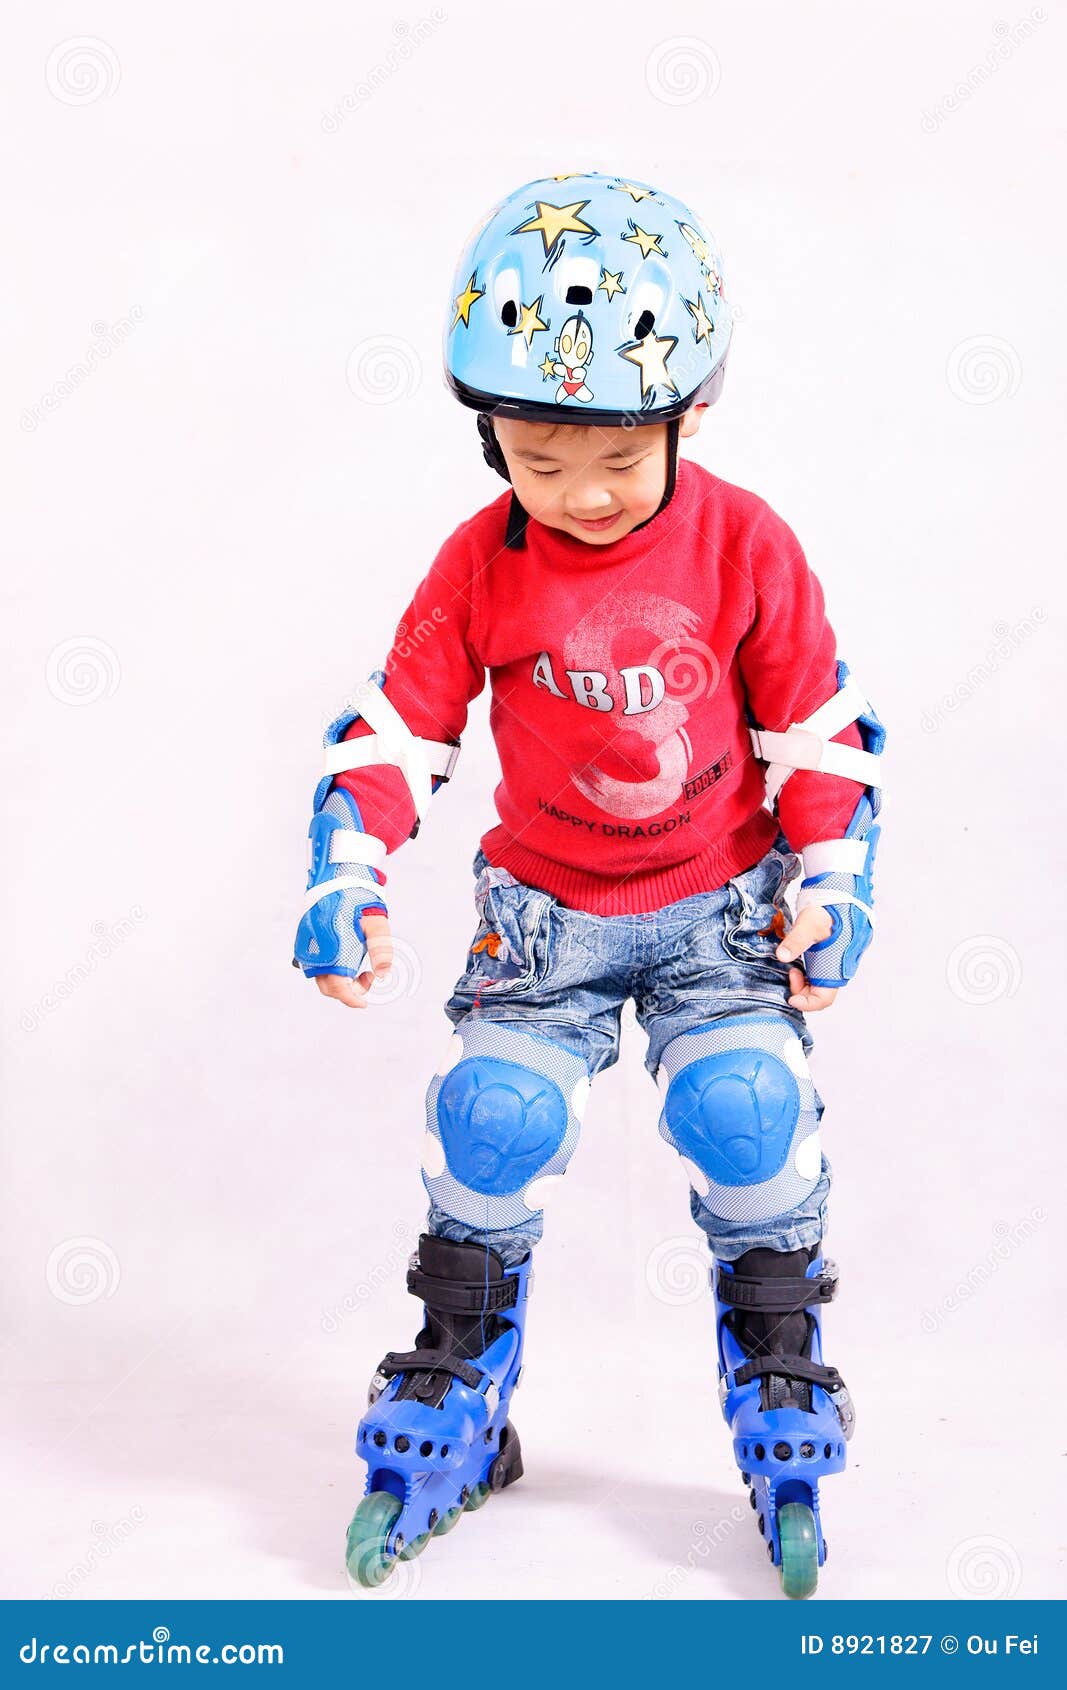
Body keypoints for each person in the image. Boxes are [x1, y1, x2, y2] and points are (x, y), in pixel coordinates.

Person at [293, 171, 884, 1598]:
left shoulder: (747, 542)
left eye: (615, 464)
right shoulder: (482, 559)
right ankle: (461, 1382)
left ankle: (782, 1361)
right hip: (545, 920)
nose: (581, 499)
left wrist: (837, 882)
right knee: (493, 1119)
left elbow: (818, 728)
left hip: (718, 907)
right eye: (538, 463)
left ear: (691, 412)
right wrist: (348, 863)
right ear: (491, 437)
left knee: (745, 1110)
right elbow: (404, 722)